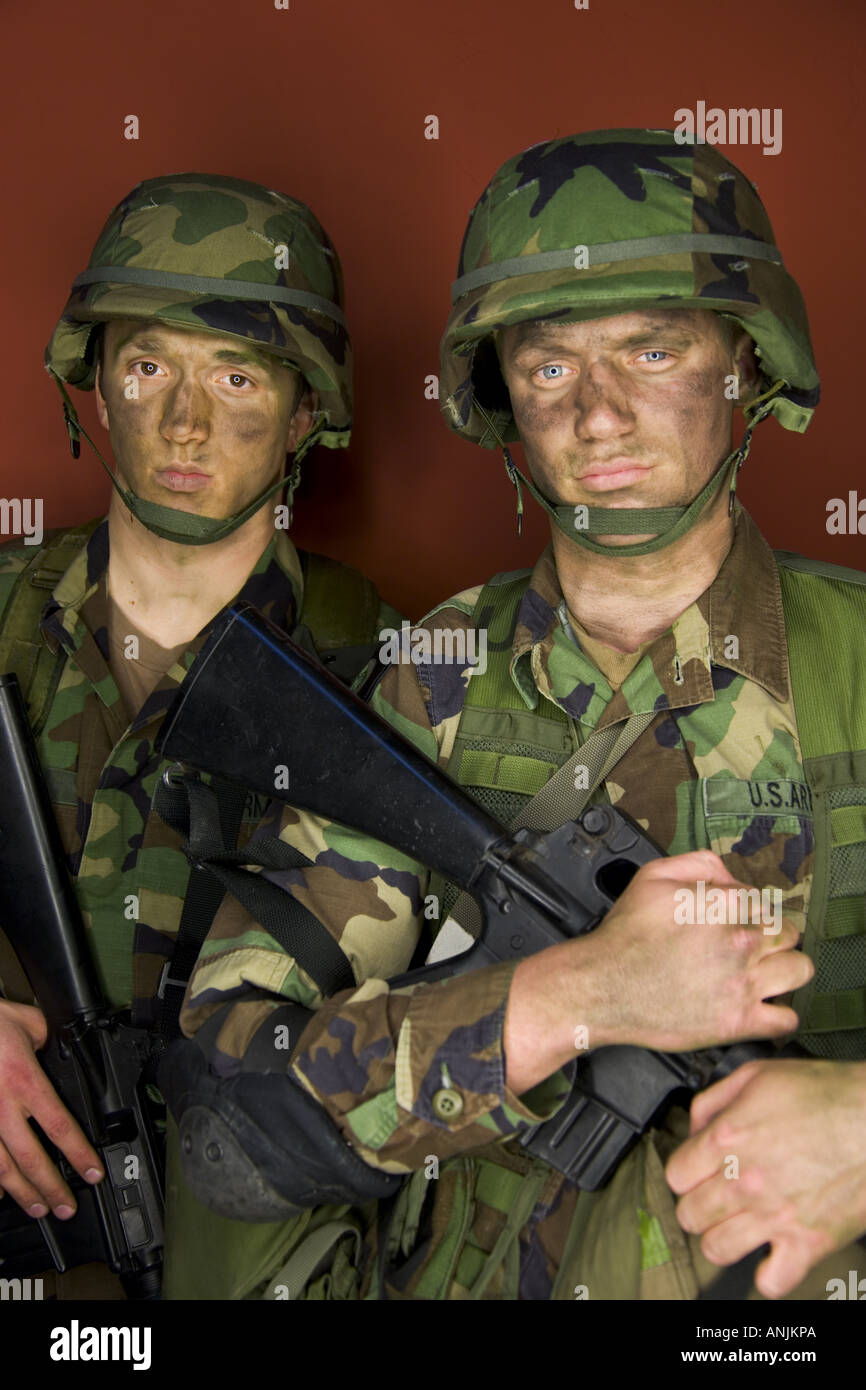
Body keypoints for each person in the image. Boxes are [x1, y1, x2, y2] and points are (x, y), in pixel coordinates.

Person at [171, 130, 866, 1301]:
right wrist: (570, 999)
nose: (597, 415)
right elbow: (228, 1103)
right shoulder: (432, 676)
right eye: (548, 368)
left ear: (745, 364)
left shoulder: (850, 663)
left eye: (652, 351)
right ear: (501, 400)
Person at [0, 172, 400, 1298]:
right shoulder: (7, 616)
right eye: (147, 369)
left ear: (305, 411)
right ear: (95, 385)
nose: (184, 422)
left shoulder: (393, 670)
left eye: (235, 376)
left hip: (268, 1244)